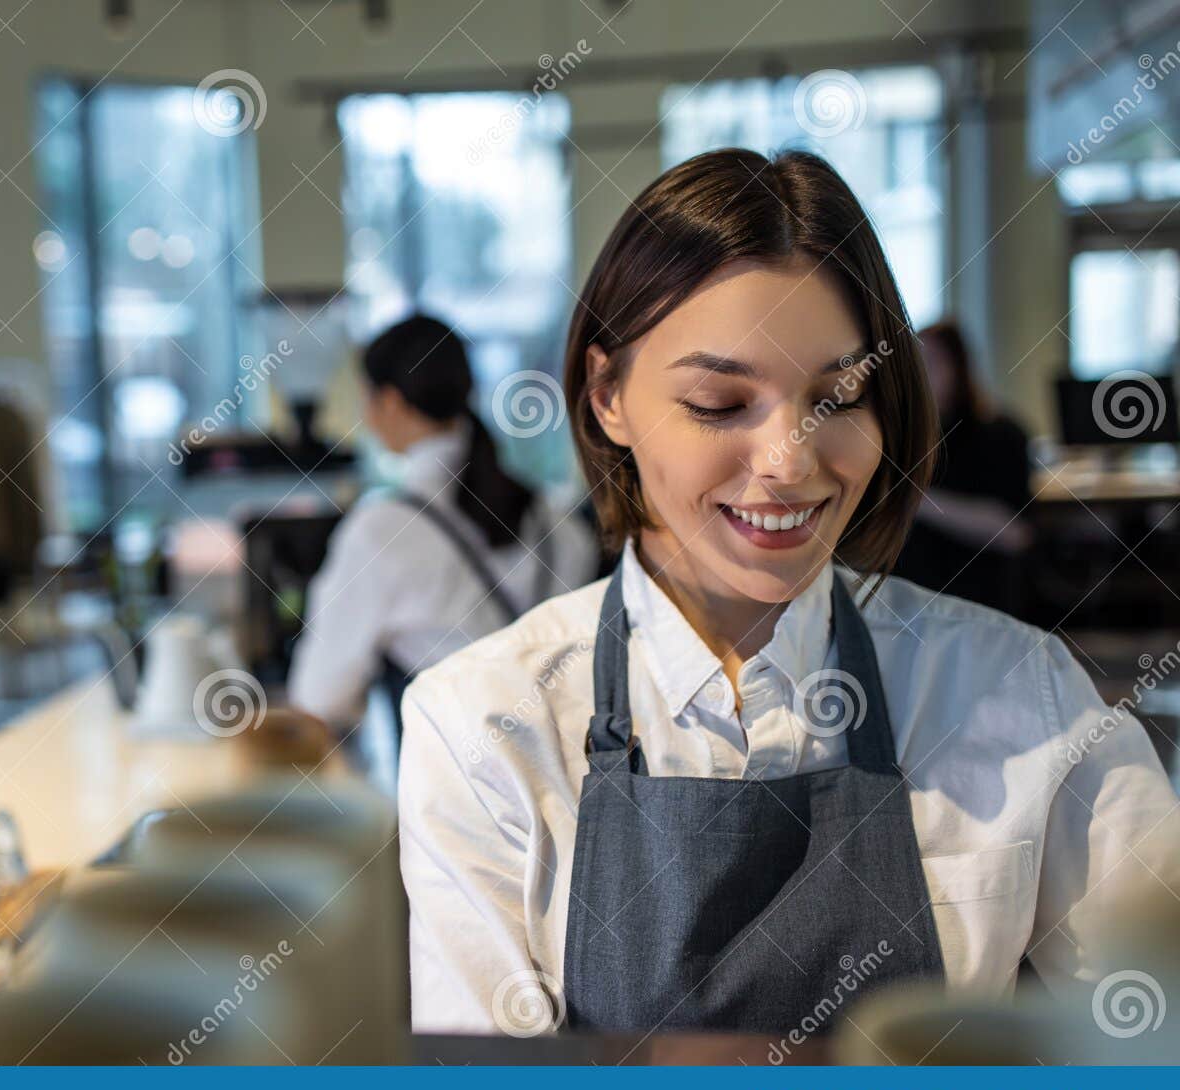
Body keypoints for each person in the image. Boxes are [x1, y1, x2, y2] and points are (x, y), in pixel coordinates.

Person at [398, 148, 1180, 1037]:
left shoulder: (1018, 691)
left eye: (838, 396)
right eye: (720, 403)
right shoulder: (485, 723)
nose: (789, 461)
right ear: (607, 394)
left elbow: (1160, 1039)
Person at [286, 315, 596, 736]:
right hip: (571, 780)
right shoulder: (557, 521)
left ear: (390, 403)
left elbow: (321, 696)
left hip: (453, 791)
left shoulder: (379, 533)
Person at [892, 320, 1035, 617]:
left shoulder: (999, 434)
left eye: (930, 363)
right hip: (910, 602)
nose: (919, 376)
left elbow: (1014, 532)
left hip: (975, 601)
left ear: (959, 367)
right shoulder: (907, 435)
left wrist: (917, 499)